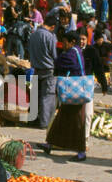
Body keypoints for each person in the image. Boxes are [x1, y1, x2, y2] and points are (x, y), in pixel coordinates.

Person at [39, 29, 92, 162]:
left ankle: (81, 152)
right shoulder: (78, 51)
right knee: (62, 118)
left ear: (72, 42)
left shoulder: (70, 54)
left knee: (77, 122)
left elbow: (58, 64)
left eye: (65, 42)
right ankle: (49, 144)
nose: (63, 44)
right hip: (75, 90)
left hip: (74, 91)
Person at [28, 12, 58, 129]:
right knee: (47, 96)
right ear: (53, 27)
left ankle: (32, 120)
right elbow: (54, 54)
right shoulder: (50, 37)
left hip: (36, 68)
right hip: (49, 70)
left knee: (35, 95)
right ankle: (44, 123)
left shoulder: (33, 35)